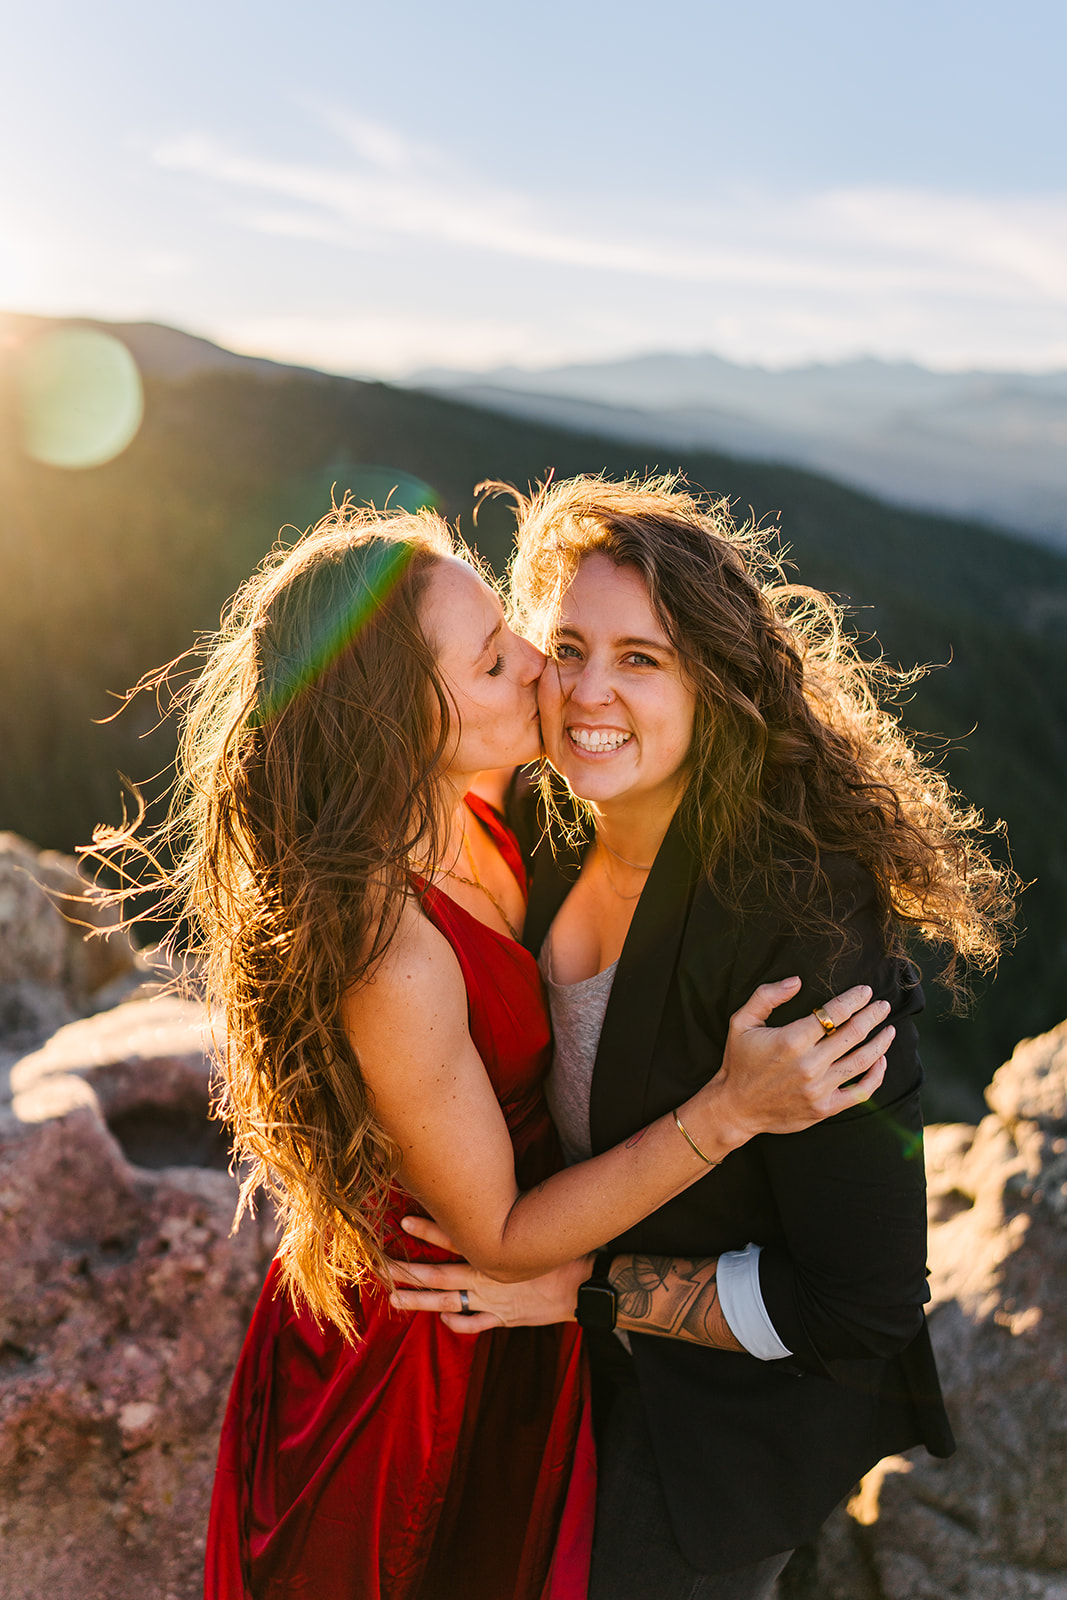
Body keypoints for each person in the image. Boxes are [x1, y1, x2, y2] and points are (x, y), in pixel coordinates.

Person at [90, 503, 892, 1600]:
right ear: (396, 717)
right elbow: (504, 1237)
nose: (537, 668)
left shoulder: (485, 801)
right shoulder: (392, 953)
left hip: (511, 1322)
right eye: (497, 657)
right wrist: (728, 1109)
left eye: (521, 635)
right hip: (426, 1336)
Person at [388, 476, 1013, 1600]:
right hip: (547, 1350)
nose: (587, 690)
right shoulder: (541, 820)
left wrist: (584, 1287)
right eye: (568, 644)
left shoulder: (800, 922)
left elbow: (860, 1305)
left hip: (718, 1433)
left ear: (713, 685)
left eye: (642, 658)